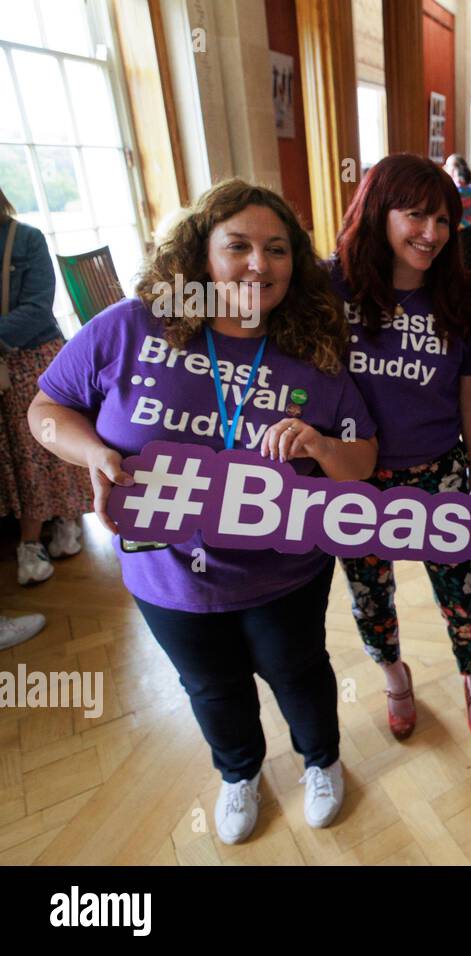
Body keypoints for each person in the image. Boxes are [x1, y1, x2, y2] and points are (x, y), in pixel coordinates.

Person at [29, 180, 379, 846]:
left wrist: (324, 446)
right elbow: (46, 410)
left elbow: (362, 461)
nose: (260, 264)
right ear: (200, 254)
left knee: (299, 672)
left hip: (286, 572)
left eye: (277, 250)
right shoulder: (132, 327)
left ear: (294, 265)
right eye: (239, 246)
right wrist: (95, 453)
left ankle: (321, 761)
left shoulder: (313, 348)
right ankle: (239, 772)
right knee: (209, 686)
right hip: (166, 575)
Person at [331, 154, 471, 743]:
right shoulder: (335, 286)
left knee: (460, 592)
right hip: (354, 475)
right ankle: (396, 679)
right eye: (417, 215)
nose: (433, 233)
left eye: (445, 220)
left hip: (440, 472)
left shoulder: (461, 294)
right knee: (369, 595)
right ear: (379, 211)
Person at [0, 188, 94, 585]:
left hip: (30, 354)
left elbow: (37, 310)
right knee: (14, 454)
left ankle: (39, 533)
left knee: (35, 446)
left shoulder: (25, 239)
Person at [450, 157, 471, 273]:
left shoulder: (455, 190)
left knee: (461, 251)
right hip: (470, 223)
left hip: (459, 225)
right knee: (469, 250)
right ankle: (470, 269)